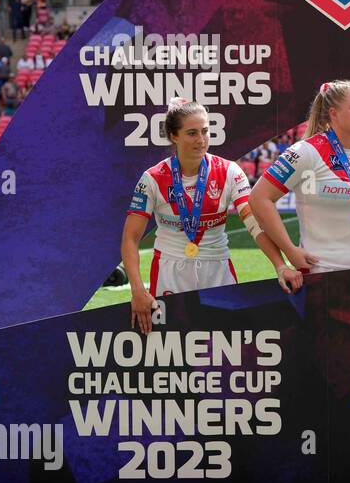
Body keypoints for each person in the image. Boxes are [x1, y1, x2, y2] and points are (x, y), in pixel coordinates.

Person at [123, 100, 297, 333]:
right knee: (174, 352)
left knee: (224, 351)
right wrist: (137, 290)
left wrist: (280, 265)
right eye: (192, 133)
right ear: (174, 136)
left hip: (218, 270)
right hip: (169, 271)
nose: (201, 139)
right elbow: (130, 239)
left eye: (205, 131)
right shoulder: (153, 178)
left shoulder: (230, 172)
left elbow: (254, 225)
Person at [250, 79, 350, 277]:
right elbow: (259, 198)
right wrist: (290, 251)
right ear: (333, 113)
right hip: (323, 273)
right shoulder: (305, 152)